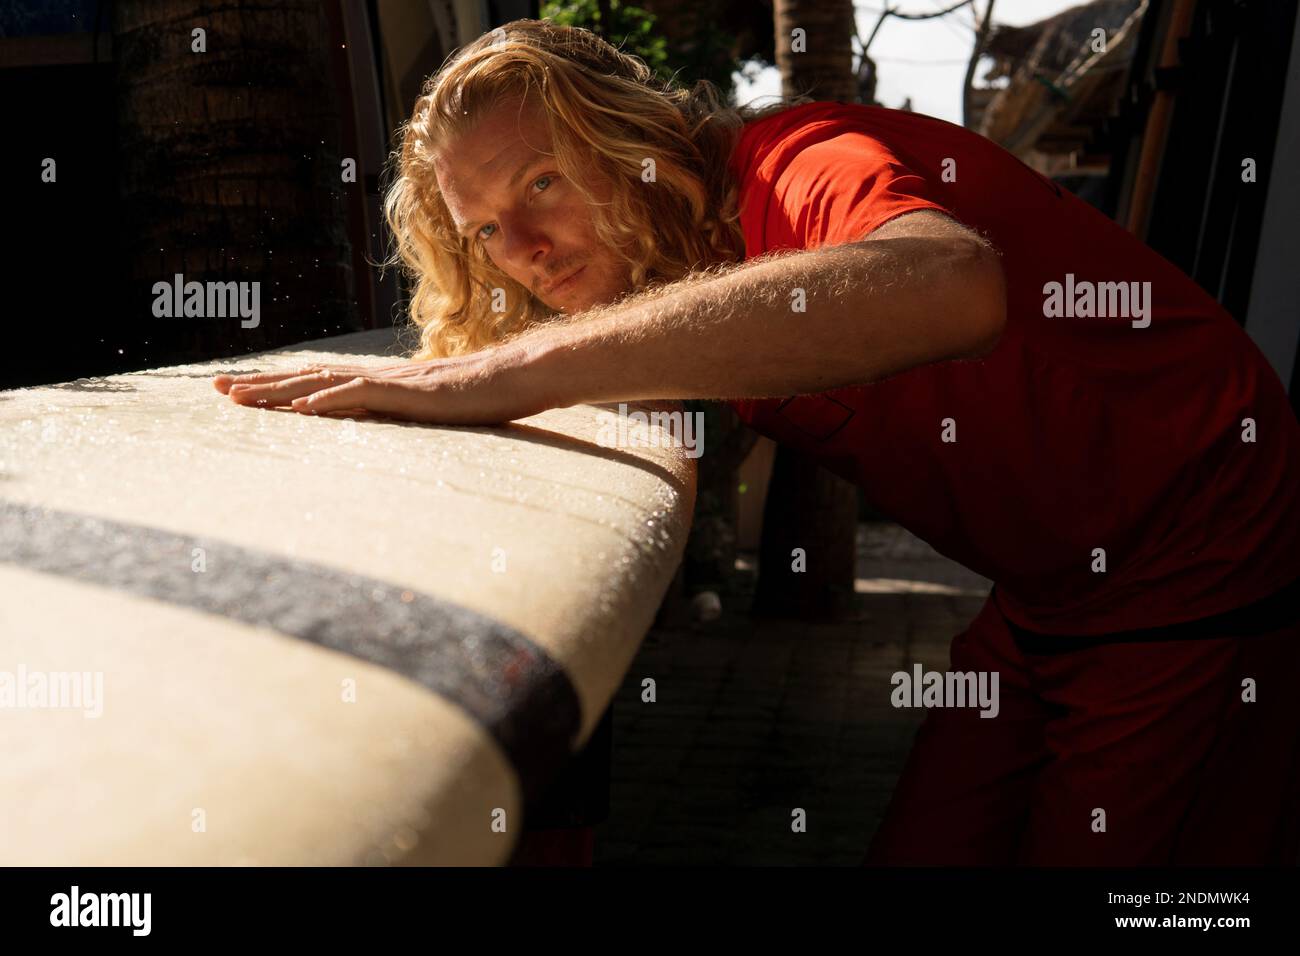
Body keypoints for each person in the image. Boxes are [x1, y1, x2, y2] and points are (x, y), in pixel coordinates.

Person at [213, 19, 1300, 865]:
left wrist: (500, 372)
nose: (523, 250)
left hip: (1198, 550)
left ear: (627, 137)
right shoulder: (664, 264)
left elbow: (956, 285)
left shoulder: (804, 160)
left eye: (542, 182)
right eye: (487, 228)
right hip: (1047, 590)